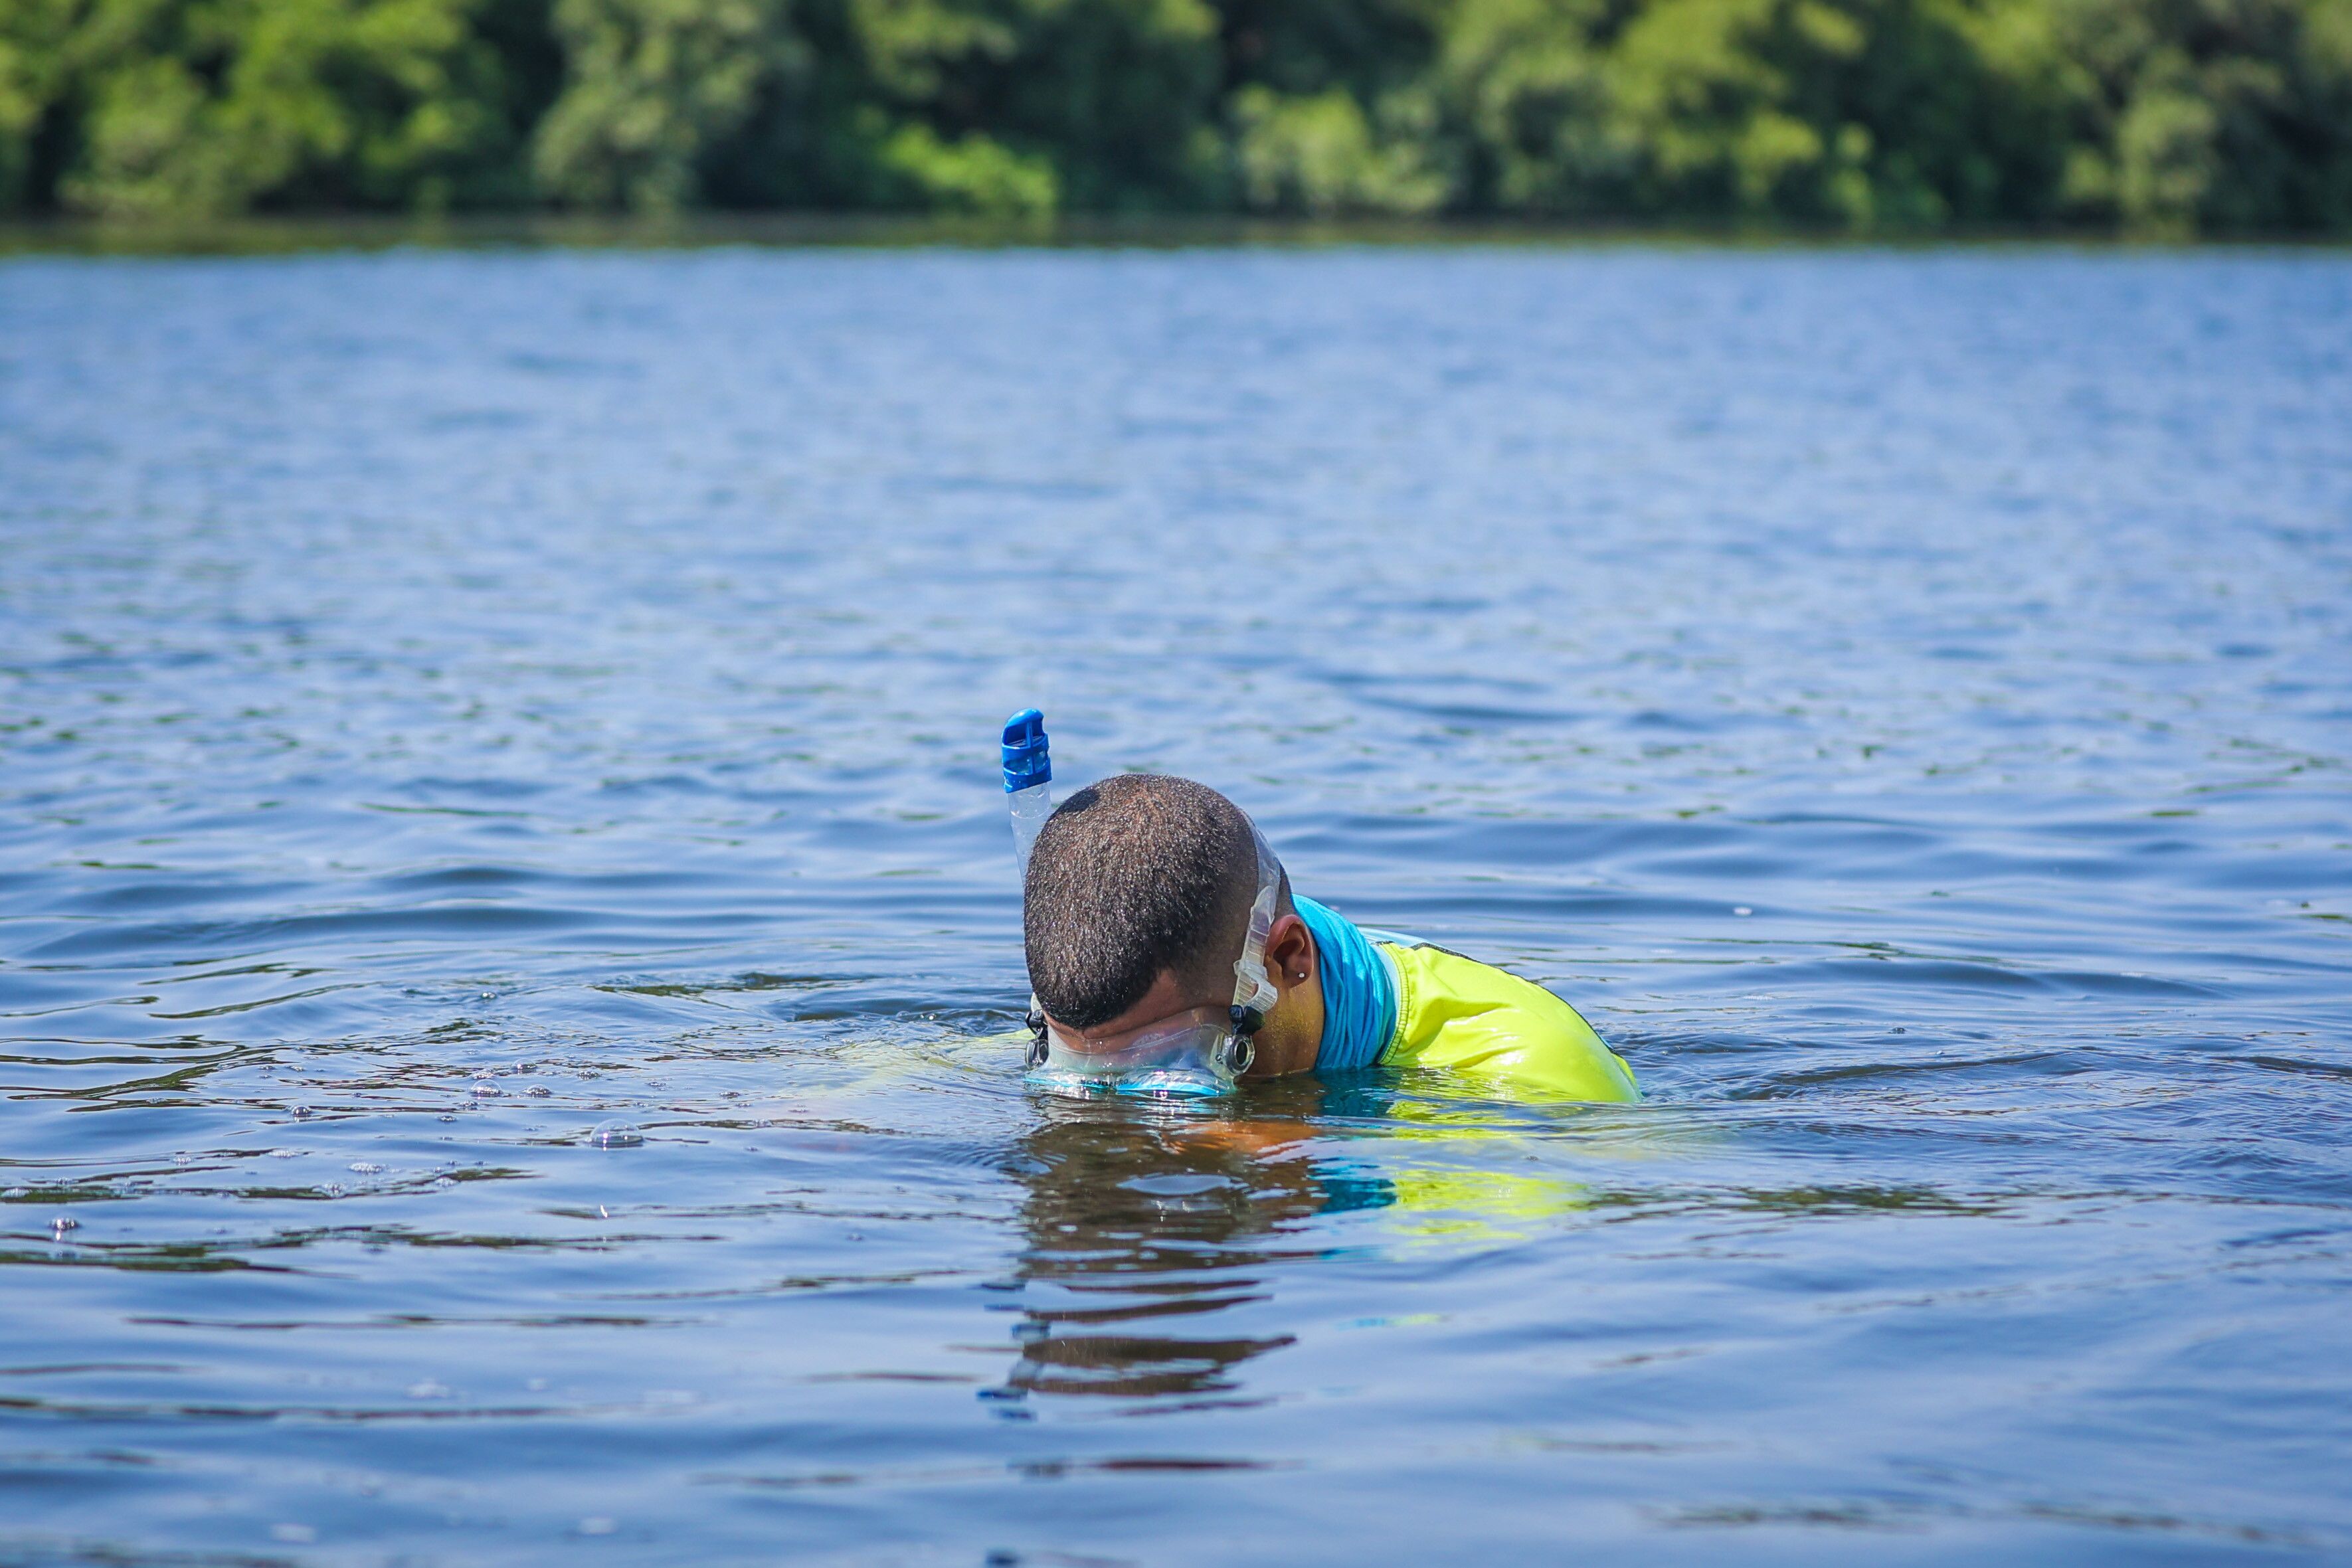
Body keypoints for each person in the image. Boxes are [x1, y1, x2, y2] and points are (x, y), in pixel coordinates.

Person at [1020, 770, 1639, 1102]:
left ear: (1288, 959)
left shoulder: (1536, 1076)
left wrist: (1308, 1160)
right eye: (1069, 1063)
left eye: (1177, 1072)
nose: (1114, 1115)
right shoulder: (1135, 1005)